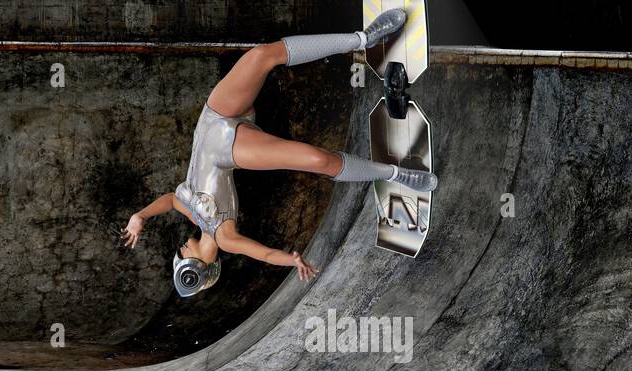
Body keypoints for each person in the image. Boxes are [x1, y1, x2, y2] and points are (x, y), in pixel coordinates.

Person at [120, 9, 436, 297]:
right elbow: (262, 253)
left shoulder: (188, 211)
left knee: (261, 56)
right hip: (229, 149)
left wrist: (140, 216)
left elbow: (167, 200)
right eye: (181, 257)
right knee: (319, 160)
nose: (180, 249)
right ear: (195, 267)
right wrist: (291, 260)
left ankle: (365, 38)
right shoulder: (224, 237)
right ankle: (396, 173)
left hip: (213, 119)